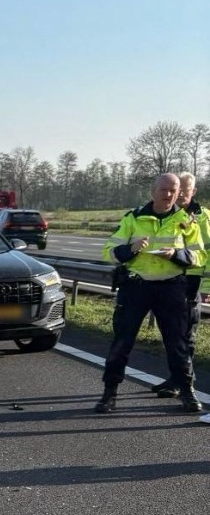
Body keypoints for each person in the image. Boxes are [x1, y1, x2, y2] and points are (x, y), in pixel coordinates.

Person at [96, 173, 203, 414]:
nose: (168, 194)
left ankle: (187, 392)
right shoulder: (133, 218)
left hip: (171, 287)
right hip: (136, 287)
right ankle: (109, 394)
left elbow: (200, 256)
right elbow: (108, 251)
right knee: (122, 342)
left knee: (178, 344)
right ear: (152, 191)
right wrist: (130, 249)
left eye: (173, 190)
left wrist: (177, 254)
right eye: (164, 189)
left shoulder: (186, 220)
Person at [150, 172, 208, 397]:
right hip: (170, 285)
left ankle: (185, 385)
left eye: (187, 190)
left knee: (186, 336)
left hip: (192, 284)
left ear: (194, 192)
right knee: (174, 337)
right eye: (179, 189)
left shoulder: (201, 218)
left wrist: (204, 288)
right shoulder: (170, 215)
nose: (181, 193)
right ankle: (175, 378)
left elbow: (204, 255)